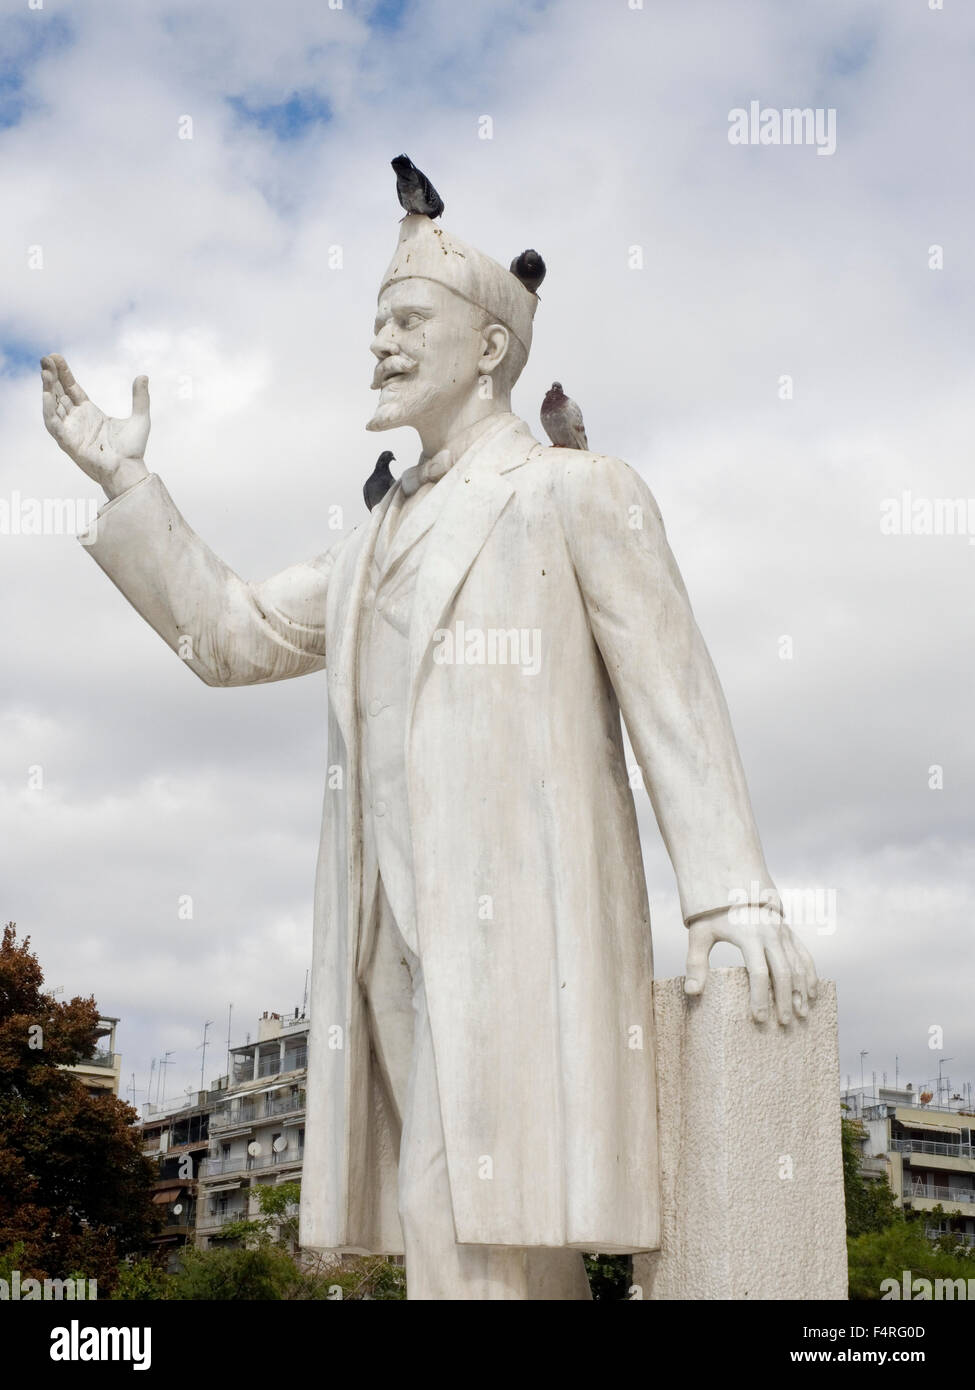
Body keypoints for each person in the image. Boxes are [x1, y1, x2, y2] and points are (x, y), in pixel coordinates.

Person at [41, 212, 817, 1300]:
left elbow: (672, 689)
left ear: (491, 346)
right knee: (460, 1224)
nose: (383, 344)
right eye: (376, 324)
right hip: (388, 944)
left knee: (481, 1222)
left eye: (408, 320)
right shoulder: (370, 542)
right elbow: (231, 636)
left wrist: (731, 894)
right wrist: (129, 490)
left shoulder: (576, 490)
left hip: (526, 930)